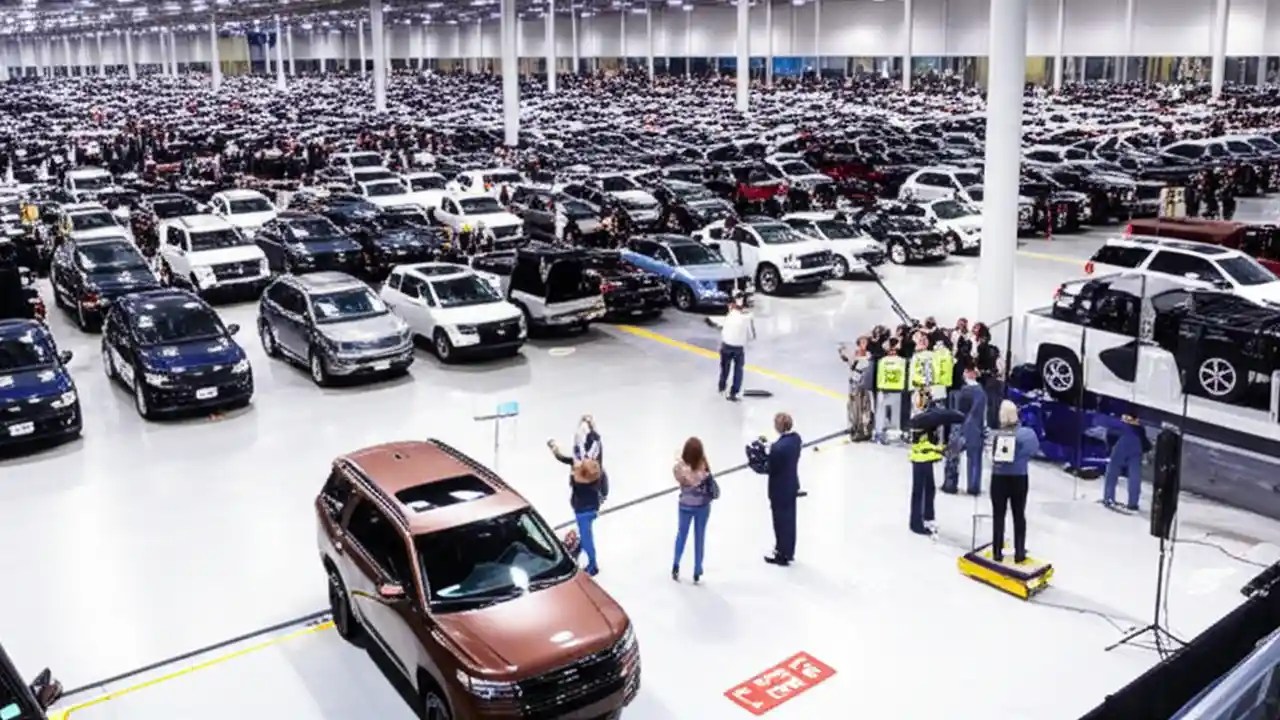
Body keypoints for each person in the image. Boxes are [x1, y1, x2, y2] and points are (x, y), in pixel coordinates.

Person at [549, 416, 608, 575]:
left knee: (586, 535)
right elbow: (596, 441)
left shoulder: (579, 473)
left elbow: (563, 458)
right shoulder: (595, 467)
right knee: (585, 530)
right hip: (594, 504)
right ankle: (579, 547)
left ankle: (593, 564)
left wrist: (554, 447)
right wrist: (591, 425)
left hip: (582, 509)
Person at [990, 400, 1041, 563]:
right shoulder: (1027, 434)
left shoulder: (997, 435)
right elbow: (1034, 450)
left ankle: (997, 551)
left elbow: (993, 456)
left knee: (999, 515)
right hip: (1019, 478)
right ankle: (1019, 551)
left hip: (999, 478)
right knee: (1019, 515)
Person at [672, 437, 714, 584]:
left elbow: (677, 474)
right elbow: (708, 482)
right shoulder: (703, 468)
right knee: (699, 536)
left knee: (681, 535)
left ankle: (676, 563)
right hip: (702, 507)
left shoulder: (680, 469)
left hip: (685, 505)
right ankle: (697, 569)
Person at [943, 366, 987, 495]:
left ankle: (950, 484)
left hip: (960, 426)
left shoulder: (963, 391)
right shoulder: (982, 392)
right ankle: (973, 486)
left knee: (953, 456)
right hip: (976, 428)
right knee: (975, 460)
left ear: (968, 373)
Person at [765, 412, 802, 566]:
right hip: (791, 485)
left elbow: (770, 467)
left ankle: (781, 553)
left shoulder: (777, 449)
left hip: (779, 489)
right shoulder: (796, 440)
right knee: (790, 521)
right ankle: (789, 550)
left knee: (780, 522)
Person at [705, 292, 755, 402]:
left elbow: (714, 322)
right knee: (738, 370)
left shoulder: (727, 317)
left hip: (726, 346)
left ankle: (722, 386)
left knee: (724, 368)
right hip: (738, 348)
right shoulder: (746, 319)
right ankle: (734, 392)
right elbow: (751, 336)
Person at [1103, 414, 1150, 511]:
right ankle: (1133, 503)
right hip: (1136, 446)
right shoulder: (1139, 428)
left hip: (1121, 442)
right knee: (1134, 475)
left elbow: (1110, 437)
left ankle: (1108, 498)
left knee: (1112, 472)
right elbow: (1146, 444)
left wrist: (1109, 448)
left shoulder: (1118, 424)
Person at [908, 419, 944, 536]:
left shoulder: (927, 424)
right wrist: (939, 449)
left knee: (930, 489)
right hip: (920, 459)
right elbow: (926, 445)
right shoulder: (921, 423)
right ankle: (916, 523)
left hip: (926, 459)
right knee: (919, 491)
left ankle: (928, 517)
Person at [839, 337, 875, 442]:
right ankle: (855, 429)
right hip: (855, 385)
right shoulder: (854, 355)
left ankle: (866, 429)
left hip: (865, 385)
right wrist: (843, 352)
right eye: (862, 342)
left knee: (866, 407)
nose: (864, 344)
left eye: (866, 342)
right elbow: (848, 361)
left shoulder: (869, 355)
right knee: (855, 407)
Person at [874, 338, 907, 444]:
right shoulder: (900, 361)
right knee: (891, 413)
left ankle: (884, 432)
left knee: (886, 412)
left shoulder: (884, 361)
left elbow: (880, 376)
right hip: (892, 389)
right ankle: (888, 433)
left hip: (890, 389)